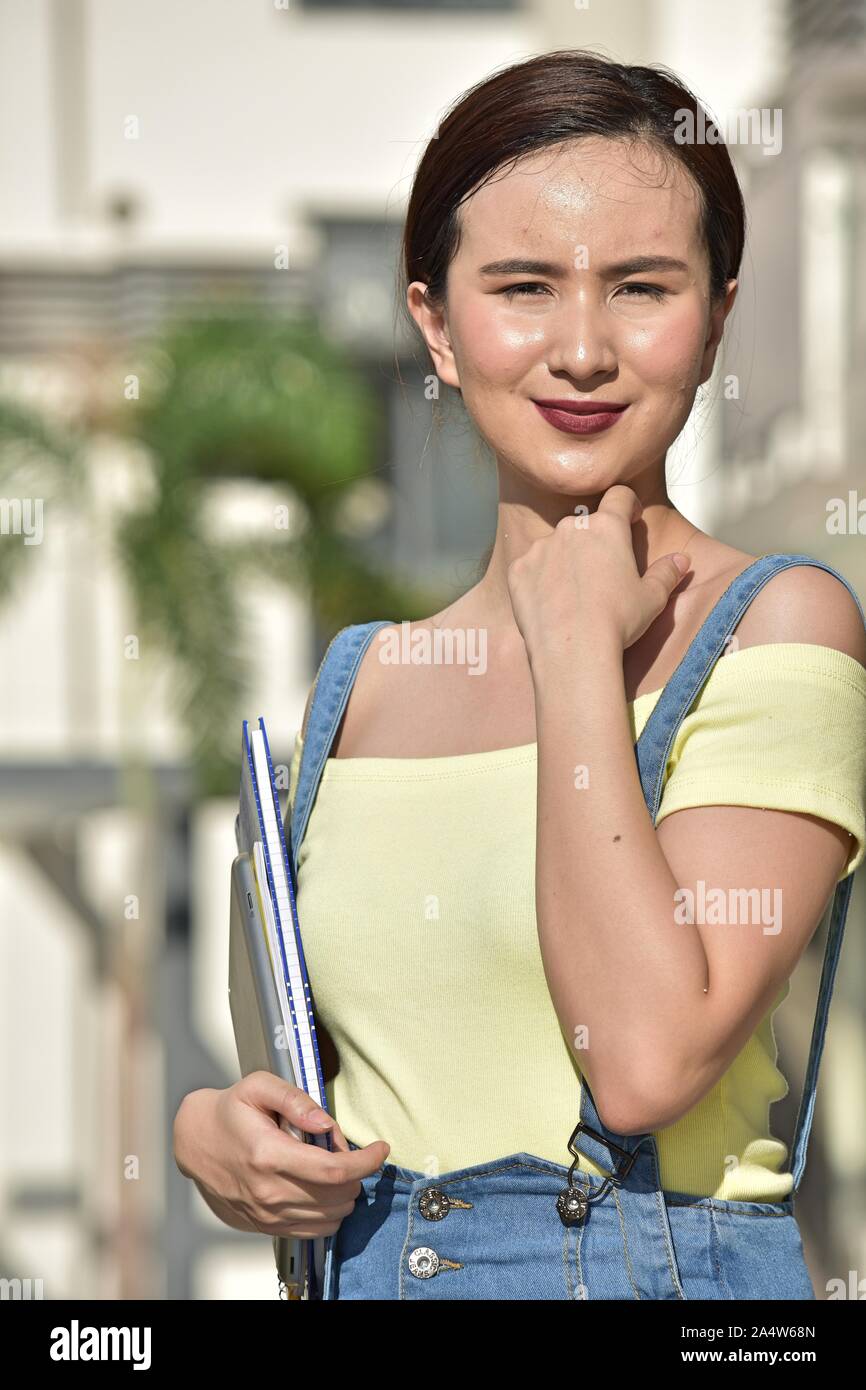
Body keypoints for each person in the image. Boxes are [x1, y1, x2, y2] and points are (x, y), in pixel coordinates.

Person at [174, 49, 866, 1300]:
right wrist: (218, 1142)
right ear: (435, 324)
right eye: (524, 287)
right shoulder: (356, 683)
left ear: (714, 317)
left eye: (643, 287)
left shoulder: (778, 628)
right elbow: (311, 1083)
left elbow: (645, 1061)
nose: (583, 348)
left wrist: (570, 654)